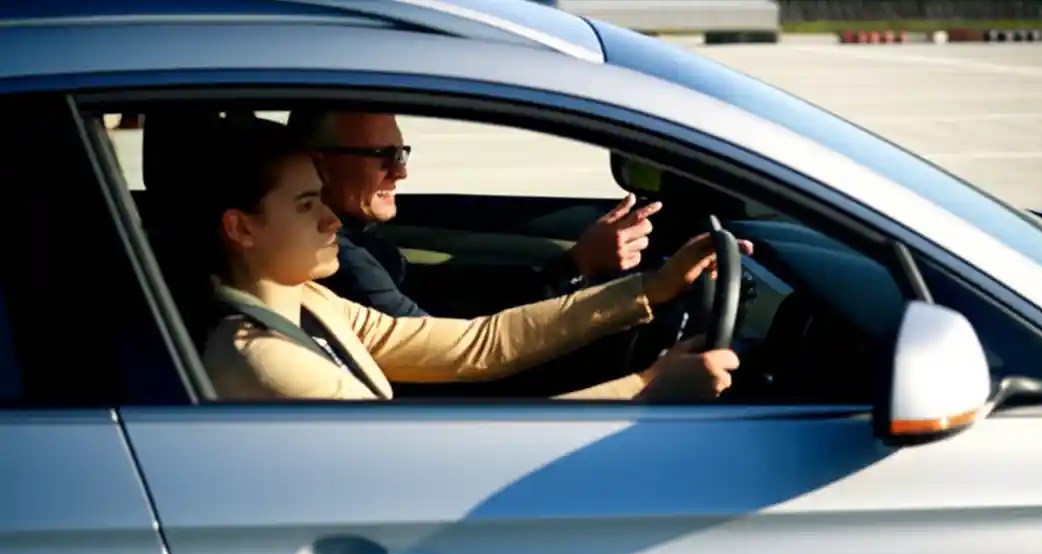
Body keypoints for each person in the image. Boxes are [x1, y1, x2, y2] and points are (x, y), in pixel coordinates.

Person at [198, 118, 744, 401]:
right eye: (306, 204)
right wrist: (647, 389)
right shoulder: (267, 365)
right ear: (240, 227)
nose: (332, 219)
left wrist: (652, 287)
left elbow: (473, 346)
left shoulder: (307, 301)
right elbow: (439, 469)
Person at [286, 110, 664, 317]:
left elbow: (438, 289)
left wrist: (571, 265)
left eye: (401, 154)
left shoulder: (358, 242)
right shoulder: (337, 258)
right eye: (382, 156)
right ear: (319, 165)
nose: (400, 172)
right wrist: (582, 273)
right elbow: (441, 349)